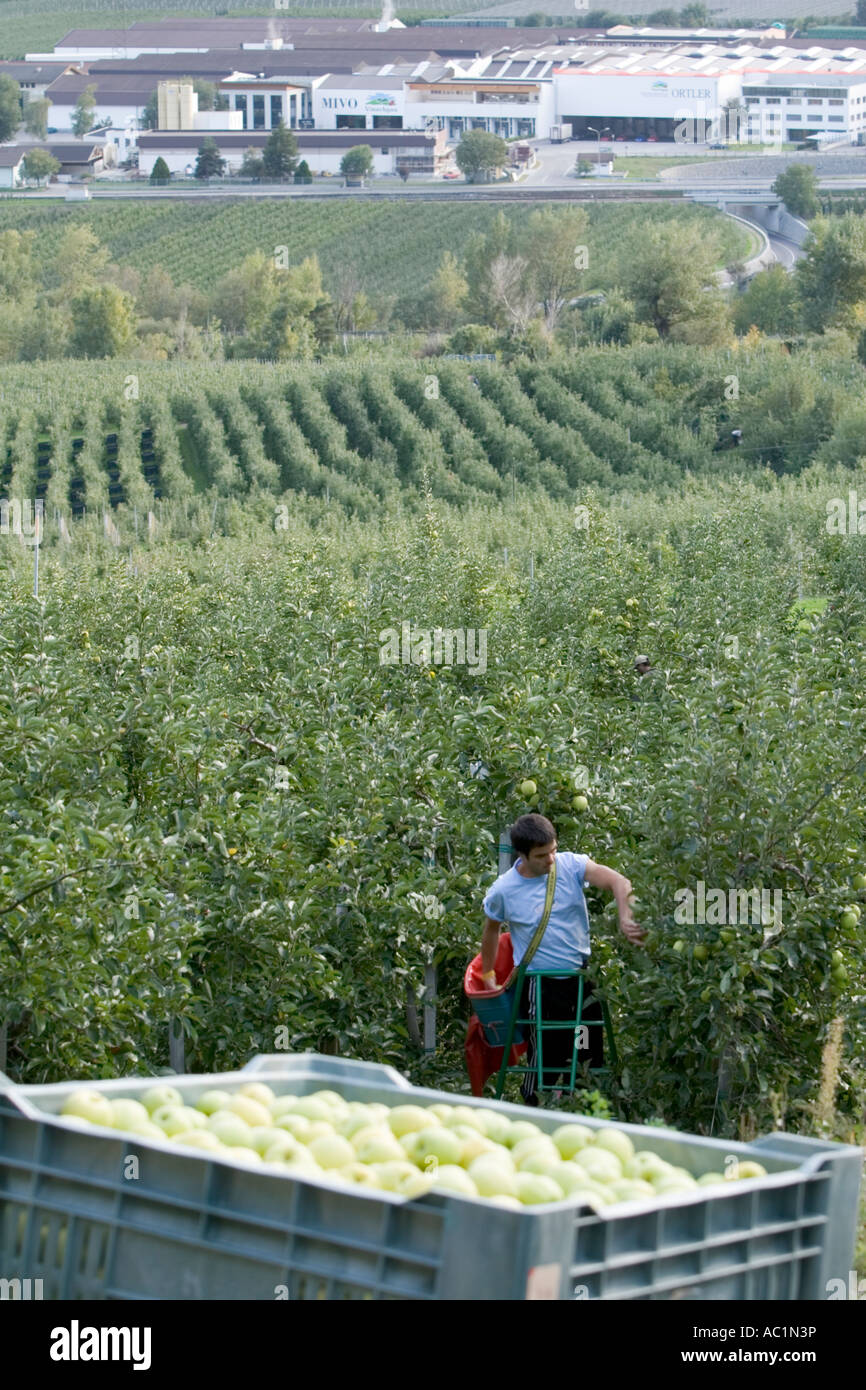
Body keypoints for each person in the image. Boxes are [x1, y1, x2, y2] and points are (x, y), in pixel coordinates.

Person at [478, 813, 643, 1105]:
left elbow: (619, 882)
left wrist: (625, 917)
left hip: (581, 984)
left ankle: (580, 1106)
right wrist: (488, 974)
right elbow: (492, 928)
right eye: (542, 855)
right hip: (541, 988)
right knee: (546, 1054)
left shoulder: (570, 865)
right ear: (523, 855)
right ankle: (534, 1106)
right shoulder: (505, 890)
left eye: (553, 850)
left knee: (586, 1048)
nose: (551, 859)